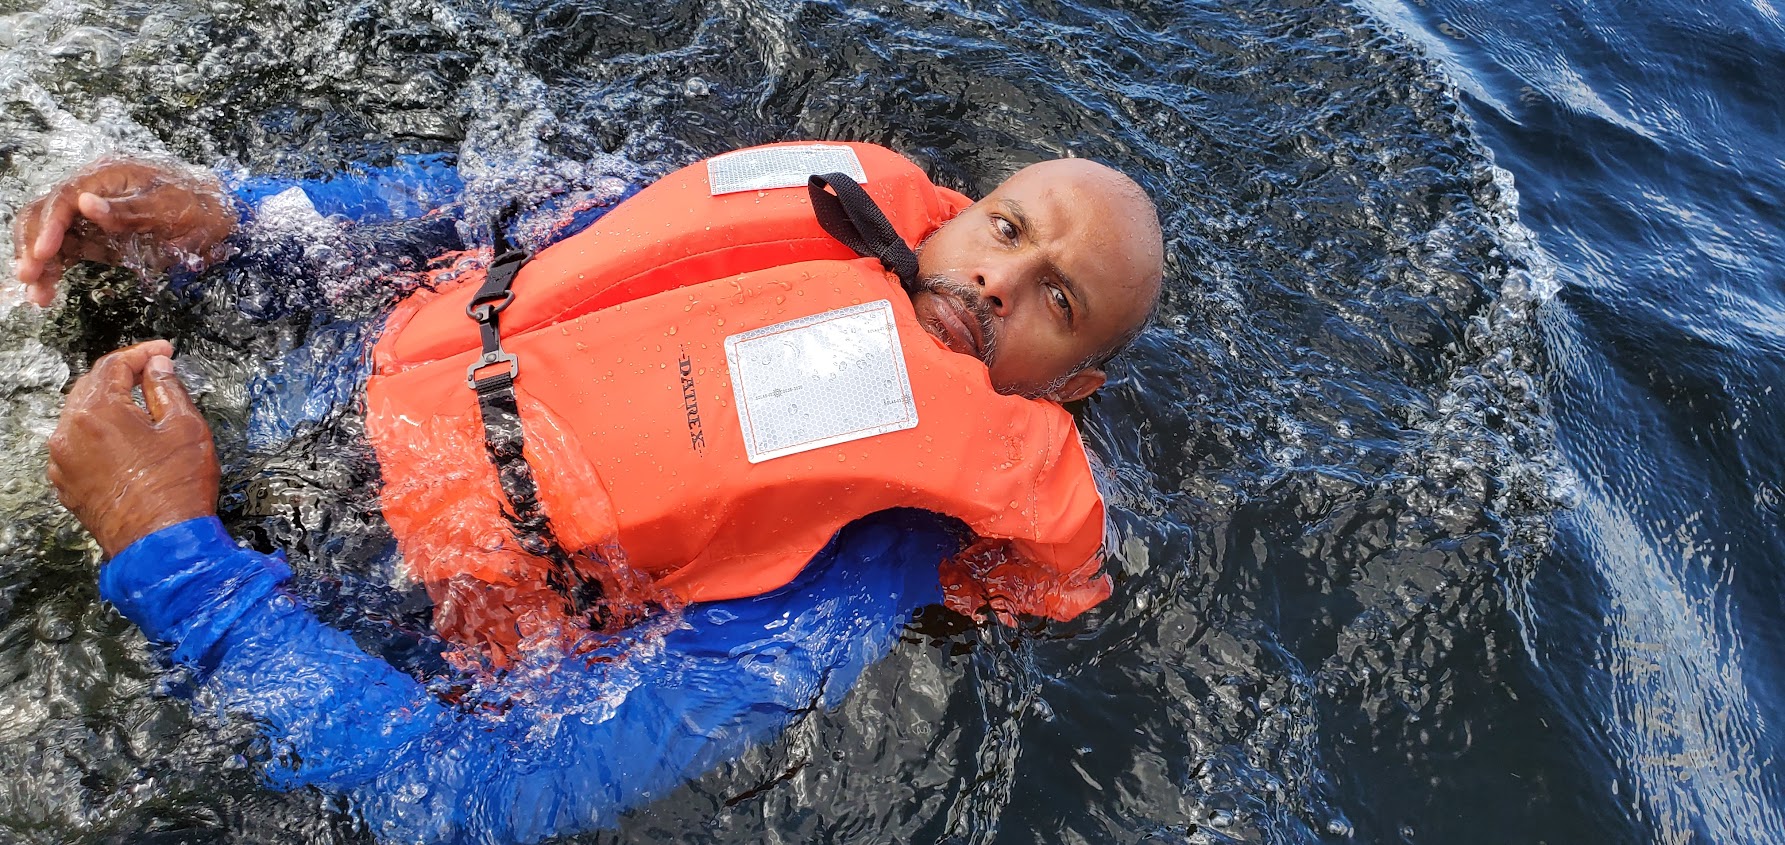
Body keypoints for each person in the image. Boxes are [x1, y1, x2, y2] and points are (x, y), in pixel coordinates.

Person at [20, 143, 1163, 840]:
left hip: (322, 616)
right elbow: (491, 212)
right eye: (1007, 229)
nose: (999, 281)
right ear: (953, 211)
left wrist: (168, 547)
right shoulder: (816, 211)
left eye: (1056, 300)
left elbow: (474, 800)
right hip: (296, 386)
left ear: (1071, 388)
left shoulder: (855, 562)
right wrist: (237, 223)